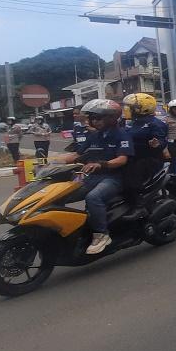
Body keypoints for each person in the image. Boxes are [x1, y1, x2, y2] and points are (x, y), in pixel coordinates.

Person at [57, 99, 133, 255]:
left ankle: (101, 235)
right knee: (60, 195)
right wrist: (51, 163)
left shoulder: (121, 135)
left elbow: (122, 159)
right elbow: (76, 155)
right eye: (93, 118)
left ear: (112, 118)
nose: (95, 121)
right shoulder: (94, 136)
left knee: (93, 197)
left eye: (99, 118)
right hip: (90, 177)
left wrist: (102, 164)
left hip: (112, 178)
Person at [121, 93, 168, 204]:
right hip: (131, 158)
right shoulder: (131, 123)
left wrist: (156, 144)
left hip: (149, 160)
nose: (127, 109)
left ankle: (139, 205)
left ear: (143, 108)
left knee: (131, 180)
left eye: (131, 107)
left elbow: (161, 140)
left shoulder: (155, 124)